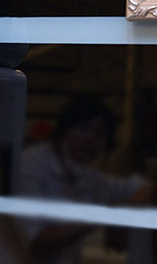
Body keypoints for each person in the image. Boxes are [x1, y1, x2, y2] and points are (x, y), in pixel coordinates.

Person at [15, 96, 154, 263]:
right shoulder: (30, 164)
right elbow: (36, 243)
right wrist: (109, 213)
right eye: (83, 128)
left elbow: (142, 190)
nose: (90, 139)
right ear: (63, 130)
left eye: (100, 134)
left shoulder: (90, 178)